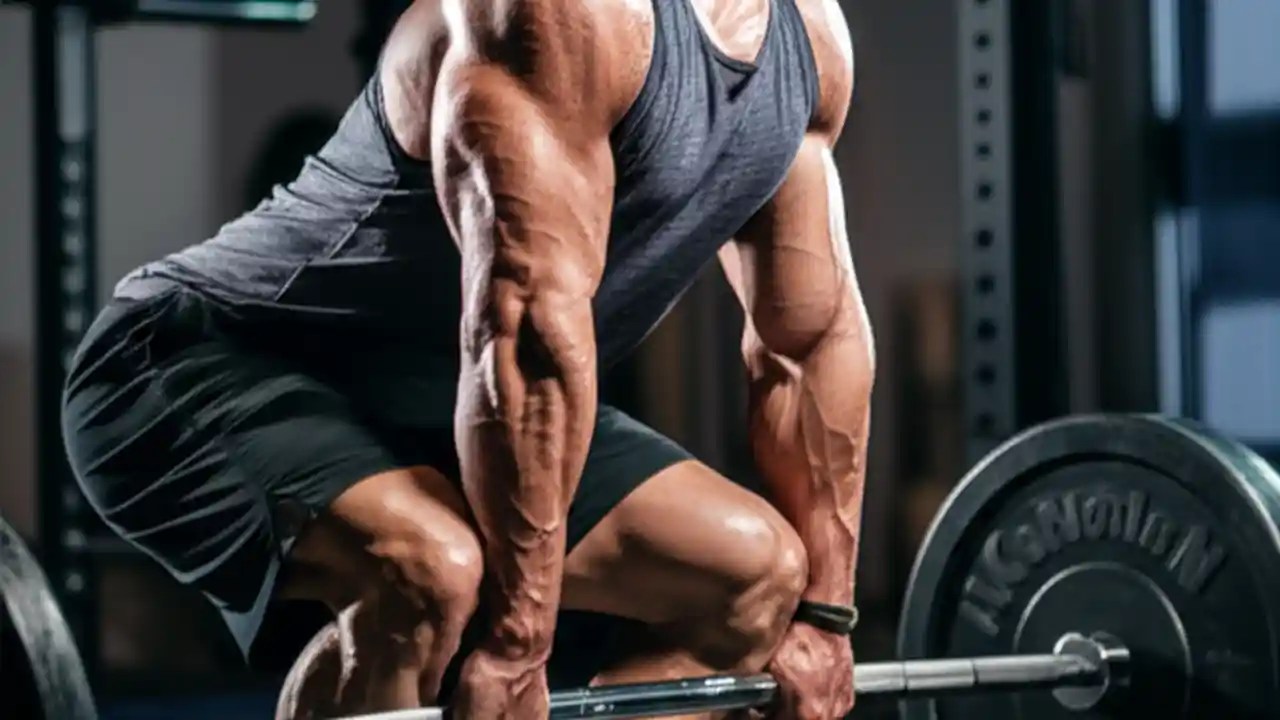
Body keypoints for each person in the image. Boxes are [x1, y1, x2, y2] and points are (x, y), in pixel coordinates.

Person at [61, 0, 871, 717]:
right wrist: (521, 640)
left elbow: (811, 338)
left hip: (433, 390)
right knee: (429, 572)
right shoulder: (561, 18)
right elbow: (524, 327)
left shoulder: (808, 44)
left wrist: (828, 620)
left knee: (752, 575)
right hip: (193, 360)